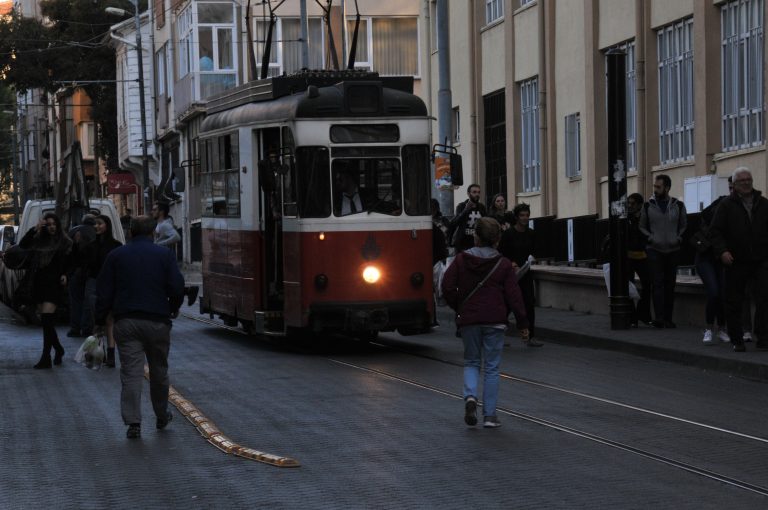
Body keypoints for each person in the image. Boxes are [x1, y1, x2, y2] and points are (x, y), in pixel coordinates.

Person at [95, 215, 185, 439]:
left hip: (126, 321)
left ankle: (133, 422)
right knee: (159, 371)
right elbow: (176, 285)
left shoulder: (116, 255)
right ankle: (161, 414)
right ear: (153, 232)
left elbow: (104, 290)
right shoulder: (164, 255)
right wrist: (173, 307)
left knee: (131, 373)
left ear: (130, 232)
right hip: (157, 320)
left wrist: (99, 320)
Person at [442, 217, 529, 429]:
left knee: (472, 361)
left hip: (470, 320)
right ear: (497, 240)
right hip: (495, 320)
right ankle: (490, 416)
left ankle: (470, 398)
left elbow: (446, 286)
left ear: (476, 236)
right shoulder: (504, 264)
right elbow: (514, 296)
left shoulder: (462, 260)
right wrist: (523, 323)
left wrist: (459, 307)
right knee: (491, 368)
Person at [709, 167, 768, 352]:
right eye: (742, 180)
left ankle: (763, 338)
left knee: (764, 298)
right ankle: (737, 339)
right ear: (734, 184)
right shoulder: (726, 205)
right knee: (734, 300)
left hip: (761, 259)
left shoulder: (763, 204)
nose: (746, 182)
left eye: (748, 179)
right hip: (736, 260)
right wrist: (722, 251)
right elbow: (715, 232)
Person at [19, 213, 72, 369]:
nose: (51, 227)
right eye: (48, 224)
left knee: (47, 319)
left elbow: (70, 262)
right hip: (39, 283)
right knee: (46, 322)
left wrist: (65, 275)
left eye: (54, 223)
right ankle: (58, 349)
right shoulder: (38, 241)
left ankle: (45, 357)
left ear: (58, 225)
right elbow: (23, 245)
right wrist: (34, 229)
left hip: (54, 284)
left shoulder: (65, 242)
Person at [639, 174, 687, 328]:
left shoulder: (678, 205)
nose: (656, 189)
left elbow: (684, 225)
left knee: (670, 284)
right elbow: (641, 226)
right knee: (657, 284)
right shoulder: (648, 205)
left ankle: (668, 318)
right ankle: (659, 318)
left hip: (673, 249)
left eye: (659, 187)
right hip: (654, 249)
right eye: (655, 186)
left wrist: (678, 238)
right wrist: (650, 238)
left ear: (667, 188)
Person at [693, 178, 732, 345]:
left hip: (721, 257)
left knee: (723, 293)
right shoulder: (722, 203)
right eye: (731, 187)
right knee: (714, 291)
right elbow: (706, 218)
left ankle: (722, 328)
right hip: (707, 256)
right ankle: (709, 328)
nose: (733, 190)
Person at [499, 202, 542, 347]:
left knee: (529, 303)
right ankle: (498, 334)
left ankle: (531, 336)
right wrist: (511, 263)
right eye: (522, 215)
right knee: (508, 305)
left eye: (527, 215)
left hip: (526, 274)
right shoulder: (508, 234)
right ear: (516, 217)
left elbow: (536, 251)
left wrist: (533, 259)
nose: (525, 218)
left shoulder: (532, 234)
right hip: (511, 275)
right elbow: (501, 253)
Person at [88, 214, 123, 366]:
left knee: (109, 319)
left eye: (99, 223)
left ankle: (110, 354)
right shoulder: (90, 246)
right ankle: (96, 353)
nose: (96, 226)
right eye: (95, 224)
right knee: (96, 319)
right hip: (95, 284)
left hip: (109, 285)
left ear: (107, 225)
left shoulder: (116, 245)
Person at [66, 214, 97, 337]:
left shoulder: (73, 231)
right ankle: (87, 328)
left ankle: (75, 328)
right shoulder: (96, 233)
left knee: (75, 301)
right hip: (90, 272)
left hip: (75, 272)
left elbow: (67, 253)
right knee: (88, 302)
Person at [626, 193, 652, 326]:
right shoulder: (626, 218)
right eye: (628, 203)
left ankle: (643, 314)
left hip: (642, 256)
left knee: (648, 285)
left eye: (633, 203)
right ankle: (632, 318)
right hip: (629, 257)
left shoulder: (645, 217)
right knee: (629, 287)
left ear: (640, 205)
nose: (630, 206)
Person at [449, 184, 487, 252]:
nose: (477, 194)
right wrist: (465, 210)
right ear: (468, 193)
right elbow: (455, 222)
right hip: (463, 244)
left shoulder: (482, 207)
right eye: (474, 192)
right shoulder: (461, 206)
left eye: (478, 192)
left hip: (477, 244)